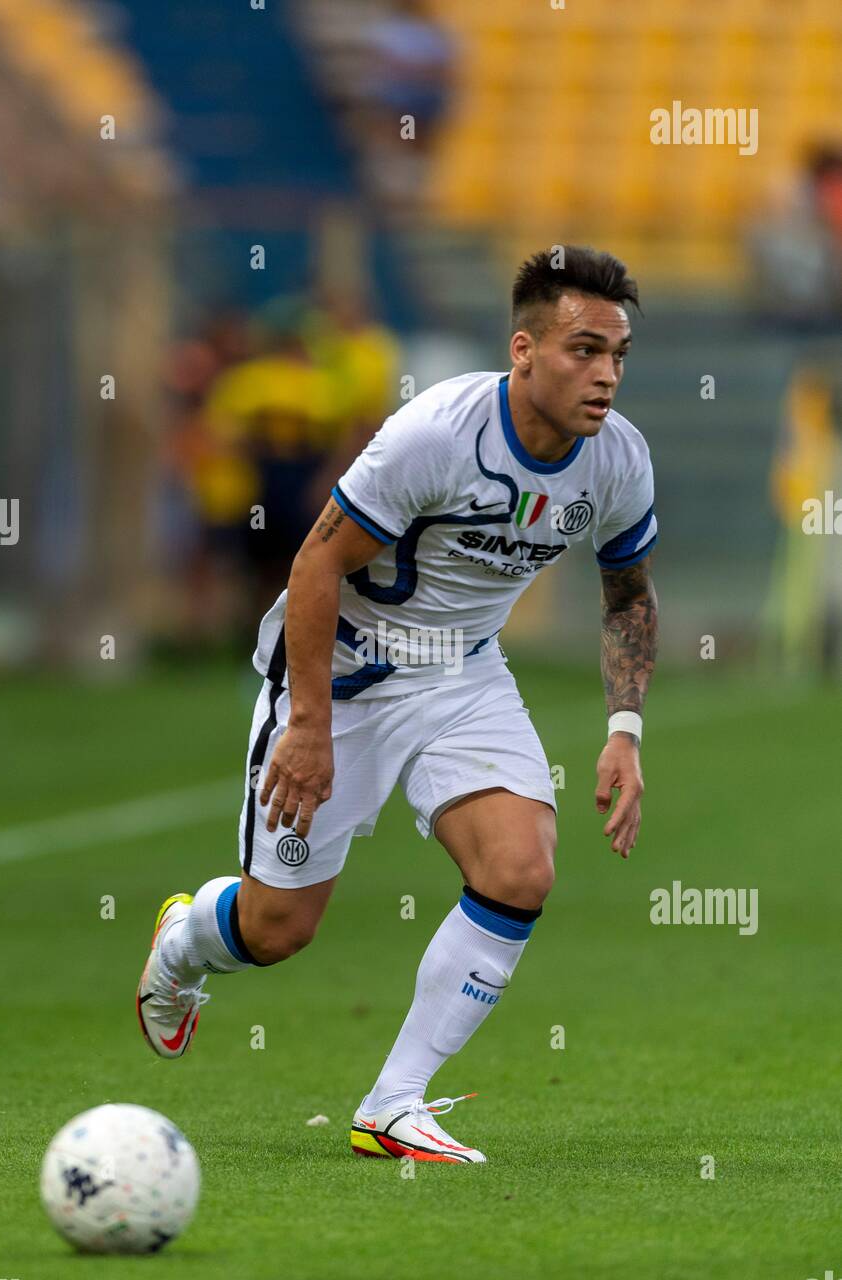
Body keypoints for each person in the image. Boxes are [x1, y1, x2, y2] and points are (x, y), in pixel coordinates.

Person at [136, 247, 660, 1165]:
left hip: (463, 675)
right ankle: (184, 942)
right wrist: (307, 727)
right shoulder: (437, 436)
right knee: (277, 929)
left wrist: (624, 730)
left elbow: (629, 598)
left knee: (521, 868)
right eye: (585, 349)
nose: (606, 374)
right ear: (524, 349)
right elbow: (314, 565)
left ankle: (393, 1105)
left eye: (618, 353)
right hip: (343, 674)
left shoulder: (617, 461)